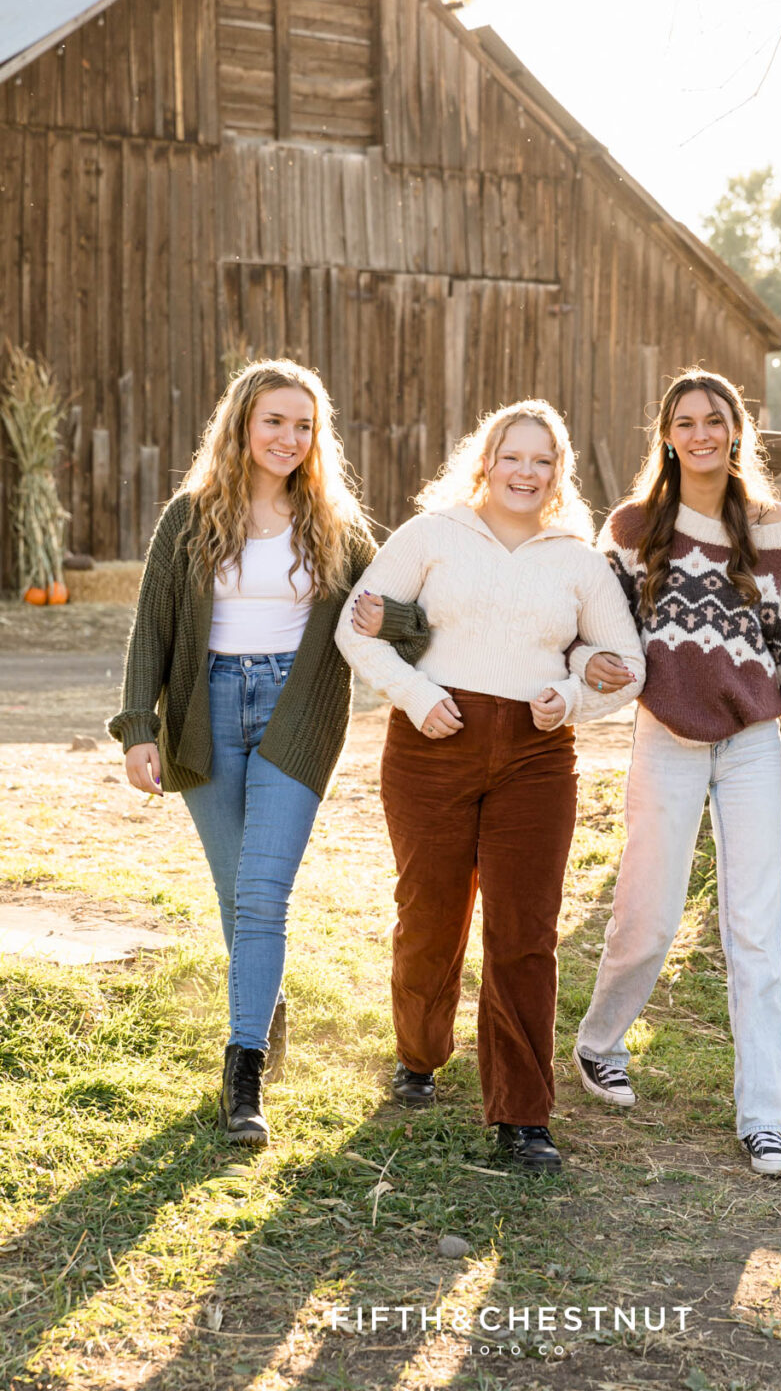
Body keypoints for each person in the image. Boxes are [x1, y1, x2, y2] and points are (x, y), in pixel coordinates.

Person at [109, 361, 427, 1150]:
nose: (289, 438)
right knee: (234, 893)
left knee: (261, 894)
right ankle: (265, 1007)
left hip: (298, 710)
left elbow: (406, 619)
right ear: (242, 425)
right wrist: (136, 728)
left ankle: (242, 1070)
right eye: (274, 422)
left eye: (304, 426)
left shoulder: (337, 527)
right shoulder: (190, 517)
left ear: (318, 438)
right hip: (203, 712)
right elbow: (151, 629)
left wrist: (398, 619)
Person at [336, 400, 645, 1172]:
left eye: (544, 461)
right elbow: (356, 625)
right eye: (515, 456)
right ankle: (420, 1052)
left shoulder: (577, 558)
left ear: (558, 474)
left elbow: (628, 664)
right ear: (486, 459)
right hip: (432, 742)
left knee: (524, 932)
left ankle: (522, 1114)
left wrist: (573, 694)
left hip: (537, 756)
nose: (527, 472)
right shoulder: (431, 536)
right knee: (431, 912)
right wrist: (414, 694)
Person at [570, 368, 781, 1175]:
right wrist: (596, 670)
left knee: (756, 929)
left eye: (715, 420)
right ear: (666, 435)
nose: (701, 434)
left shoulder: (774, 529)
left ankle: (764, 1116)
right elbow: (594, 631)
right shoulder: (630, 529)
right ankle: (598, 1043)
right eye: (685, 421)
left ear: (736, 432)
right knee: (648, 915)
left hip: (754, 742)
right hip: (666, 736)